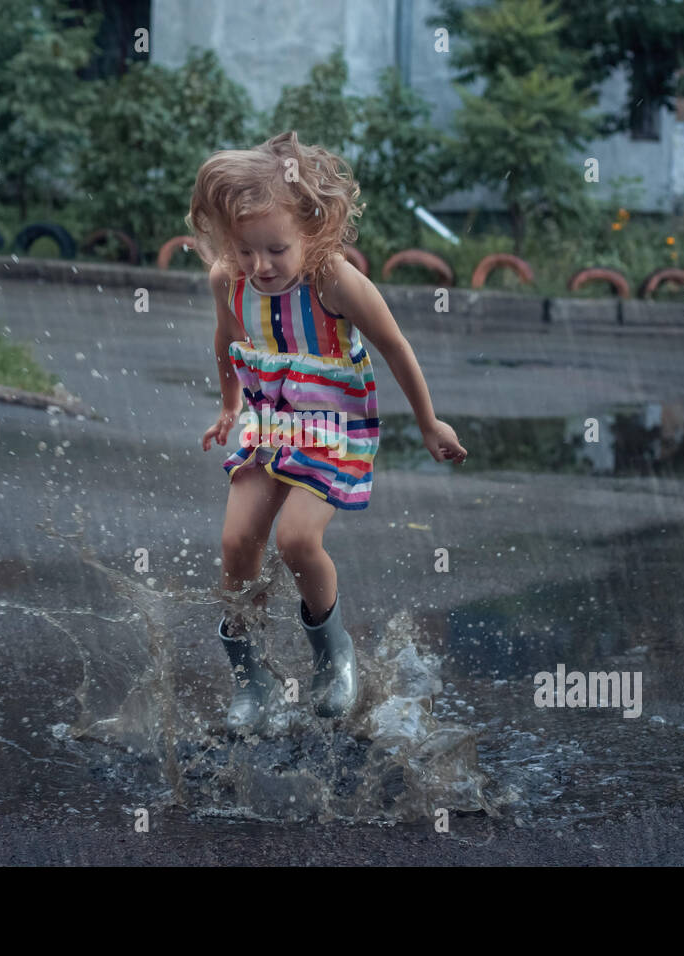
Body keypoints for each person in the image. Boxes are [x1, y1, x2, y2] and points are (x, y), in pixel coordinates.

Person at [188, 130, 467, 736]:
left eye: (275, 249)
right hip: (267, 423)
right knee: (237, 545)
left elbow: (394, 346)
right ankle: (250, 680)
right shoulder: (226, 280)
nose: (259, 265)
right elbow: (227, 341)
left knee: (295, 539)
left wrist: (428, 421)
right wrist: (229, 404)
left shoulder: (334, 280)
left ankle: (332, 655)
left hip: (332, 428)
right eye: (245, 249)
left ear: (312, 232)